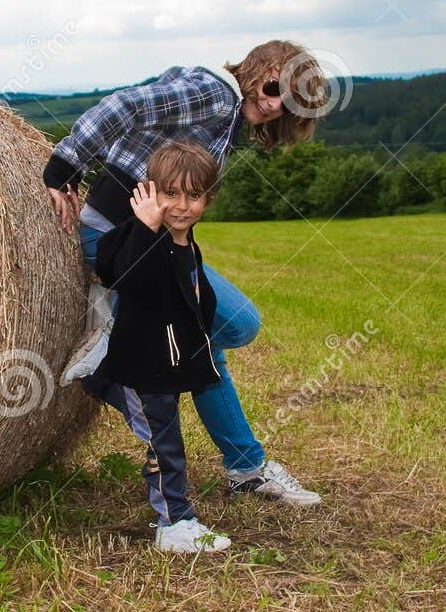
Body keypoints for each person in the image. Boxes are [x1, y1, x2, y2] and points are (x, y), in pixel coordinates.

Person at [43, 40, 328, 508]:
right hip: (117, 239)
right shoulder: (215, 95)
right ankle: (115, 362)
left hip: (146, 242)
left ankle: (245, 467)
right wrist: (64, 166)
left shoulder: (229, 123)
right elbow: (124, 105)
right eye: (274, 86)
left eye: (289, 101)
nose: (274, 104)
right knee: (232, 323)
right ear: (255, 71)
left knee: (211, 331)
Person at [80, 142, 235, 552]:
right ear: (150, 193)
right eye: (171, 195)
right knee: (164, 445)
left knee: (163, 435)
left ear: (207, 197)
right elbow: (125, 276)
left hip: (163, 368)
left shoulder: (188, 243)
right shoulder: (142, 237)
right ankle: (174, 523)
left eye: (195, 195)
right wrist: (145, 226)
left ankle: (98, 378)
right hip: (141, 365)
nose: (182, 206)